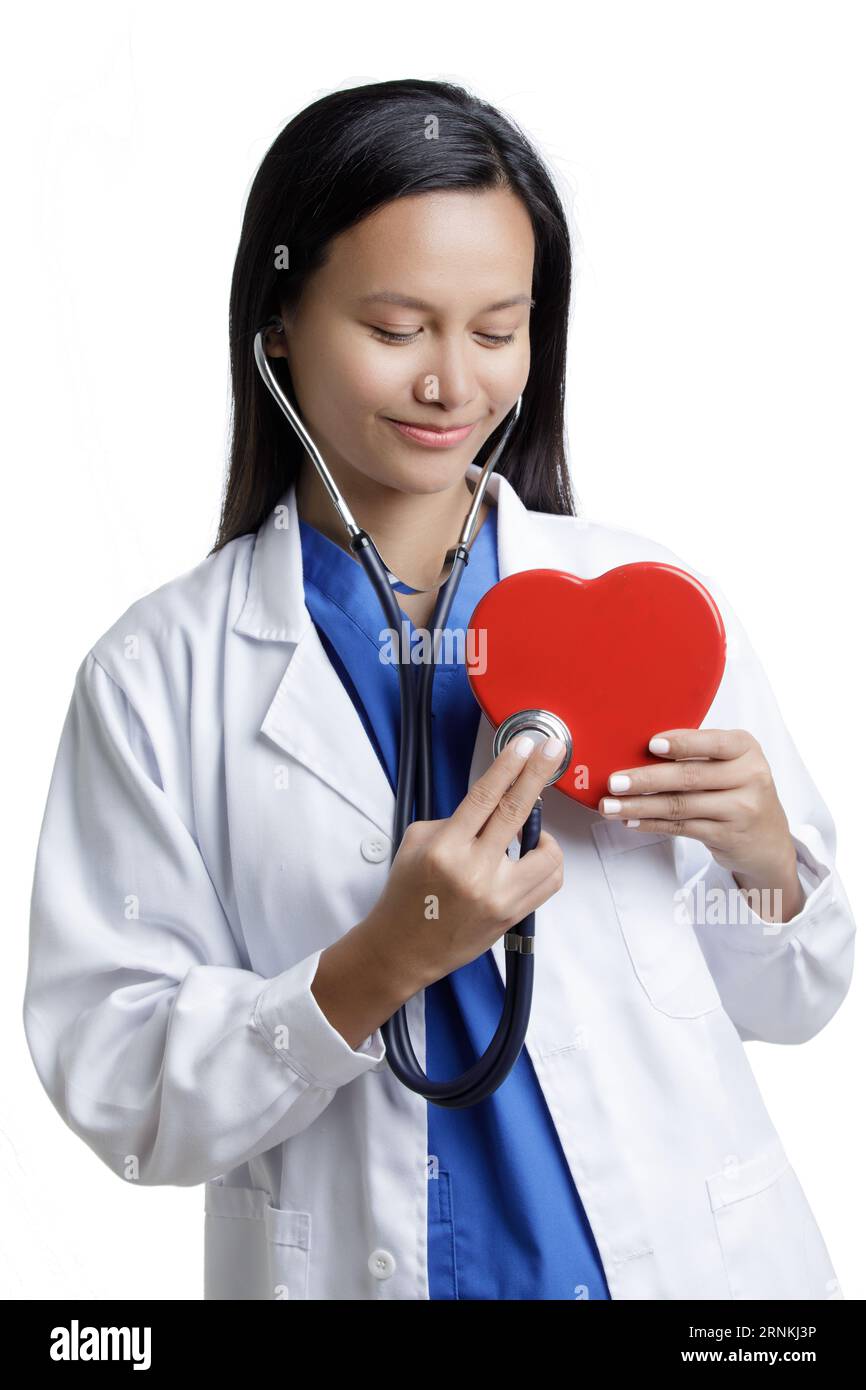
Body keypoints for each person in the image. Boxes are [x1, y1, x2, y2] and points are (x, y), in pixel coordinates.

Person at [23, 78, 855, 1301]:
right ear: (278, 327)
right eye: (398, 327)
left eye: (496, 328)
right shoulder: (157, 677)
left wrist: (764, 863)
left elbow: (792, 995)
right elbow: (117, 1082)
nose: (451, 384)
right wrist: (380, 959)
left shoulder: (645, 606)